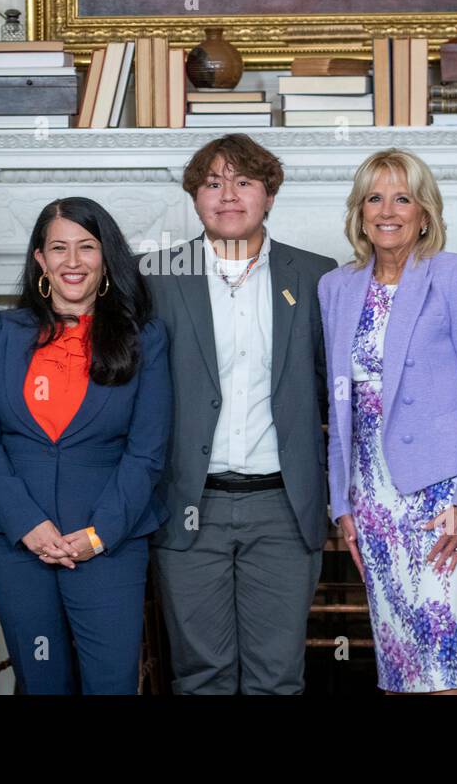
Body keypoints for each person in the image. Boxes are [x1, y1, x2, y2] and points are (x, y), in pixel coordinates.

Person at [141, 134, 337, 694]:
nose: (228, 195)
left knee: (277, 678)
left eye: (244, 181)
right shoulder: (154, 276)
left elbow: (338, 392)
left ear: (269, 195)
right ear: (195, 197)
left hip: (282, 508)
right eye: (212, 183)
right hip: (186, 504)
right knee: (201, 676)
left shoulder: (317, 276)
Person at [318, 148, 457, 694]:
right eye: (374, 197)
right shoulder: (337, 288)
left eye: (403, 197)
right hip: (373, 498)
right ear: (359, 212)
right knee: (403, 663)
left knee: (445, 660)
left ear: (425, 212)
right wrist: (343, 503)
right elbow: (340, 405)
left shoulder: (456, 275)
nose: (387, 210)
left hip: (443, 499)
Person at [0, 197, 171, 694]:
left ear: (106, 258)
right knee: (41, 680)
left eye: (86, 247)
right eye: (59, 248)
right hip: (16, 541)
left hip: (107, 542)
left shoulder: (144, 338)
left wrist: (99, 533)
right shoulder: (0, 330)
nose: (72, 261)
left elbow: (147, 450)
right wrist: (28, 525)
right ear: (40, 260)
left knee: (110, 682)